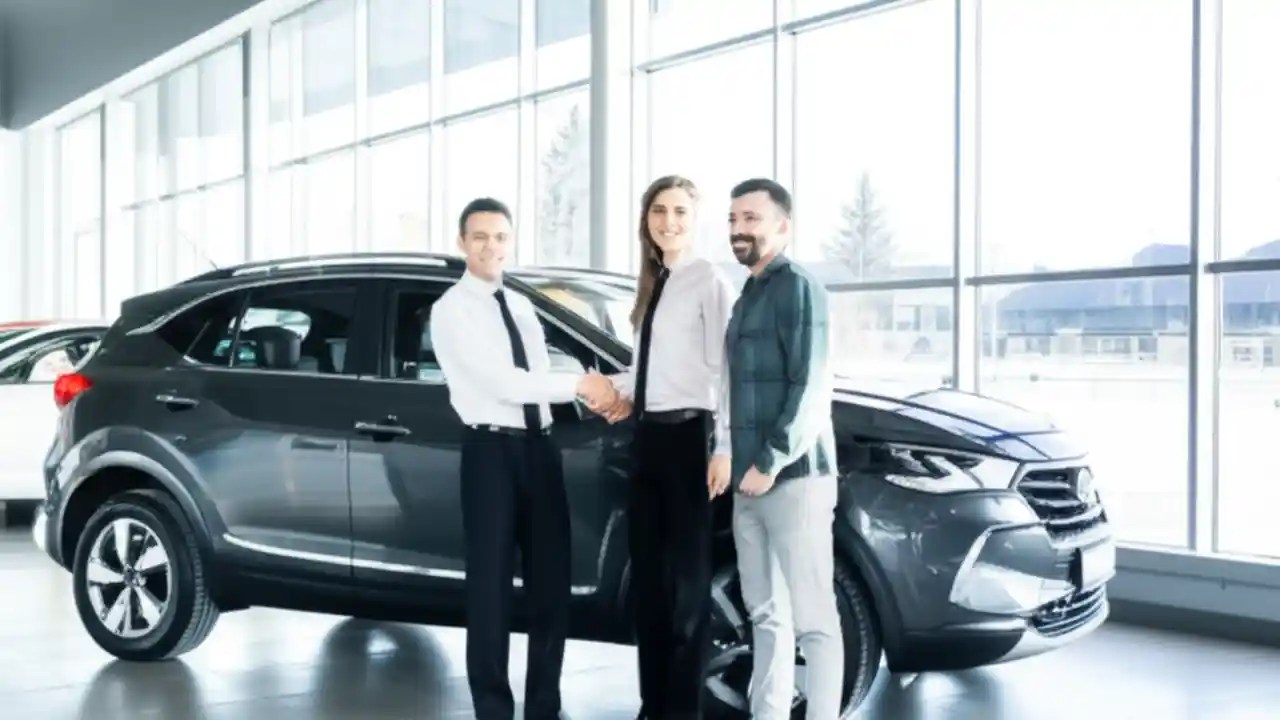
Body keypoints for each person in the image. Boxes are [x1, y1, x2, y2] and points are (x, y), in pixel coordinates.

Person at [430, 197, 618, 720]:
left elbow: (539, 382)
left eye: (500, 237)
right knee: (489, 592)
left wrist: (607, 393)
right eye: (481, 237)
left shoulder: (521, 306)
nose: (492, 246)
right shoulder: (451, 310)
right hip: (490, 453)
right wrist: (581, 385)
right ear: (462, 243)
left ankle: (544, 708)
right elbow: (503, 382)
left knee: (550, 587)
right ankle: (493, 709)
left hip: (540, 451)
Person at [596, 175, 737, 719]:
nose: (668, 221)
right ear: (646, 218)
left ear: (694, 218)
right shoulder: (656, 281)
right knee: (650, 587)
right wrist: (611, 390)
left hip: (689, 439)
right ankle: (652, 705)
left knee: (686, 590)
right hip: (649, 439)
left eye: (679, 211)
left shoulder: (707, 280)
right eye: (659, 210)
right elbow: (650, 370)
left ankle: (681, 710)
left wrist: (722, 445)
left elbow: (723, 370)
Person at [708, 178, 843, 719]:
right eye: (734, 219)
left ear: (782, 227)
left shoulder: (799, 287)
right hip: (748, 484)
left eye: (752, 219)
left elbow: (810, 387)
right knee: (765, 614)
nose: (739, 229)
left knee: (815, 620)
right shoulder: (749, 293)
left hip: (795, 480)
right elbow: (730, 389)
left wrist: (769, 460)